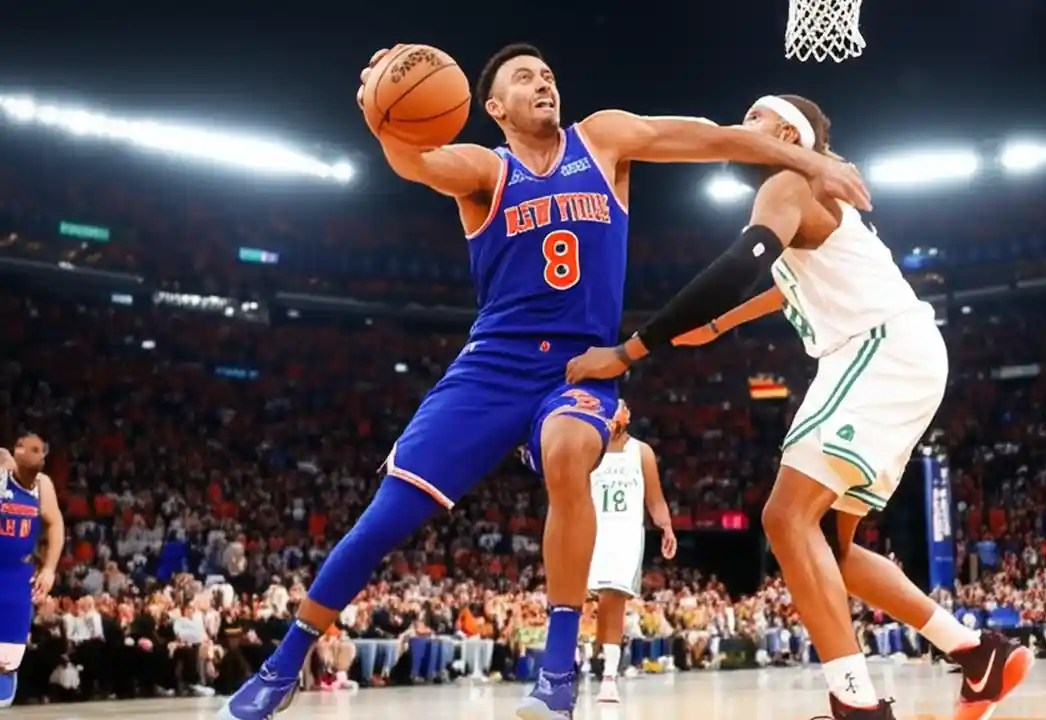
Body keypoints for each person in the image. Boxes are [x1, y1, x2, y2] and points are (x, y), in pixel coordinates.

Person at [219, 43, 868, 720]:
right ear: (492, 107)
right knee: (386, 518)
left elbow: (709, 137)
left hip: (578, 366)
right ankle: (284, 663)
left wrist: (809, 157)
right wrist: (383, 113)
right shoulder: (483, 169)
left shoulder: (604, 139)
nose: (544, 83)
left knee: (565, 452)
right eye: (524, 78)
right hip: (493, 365)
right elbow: (418, 161)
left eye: (549, 75)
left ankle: (557, 676)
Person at [565, 94, 1032, 720]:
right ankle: (978, 654)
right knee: (831, 549)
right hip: (893, 352)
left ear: (788, 132)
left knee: (784, 518)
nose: (740, 127)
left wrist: (627, 352)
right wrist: (723, 324)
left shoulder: (788, 179)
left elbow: (738, 268)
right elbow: (784, 280)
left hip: (876, 347)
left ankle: (857, 706)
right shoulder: (805, 192)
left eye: (752, 119)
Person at [585, 401, 675, 704]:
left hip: (625, 534)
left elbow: (656, 499)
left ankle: (609, 676)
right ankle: (575, 663)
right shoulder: (590, 447)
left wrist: (666, 527)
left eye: (619, 409)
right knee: (581, 602)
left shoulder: (642, 452)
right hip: (592, 530)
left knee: (614, 601)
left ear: (627, 416)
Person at [0, 433, 64, 707]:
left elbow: (56, 524)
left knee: (7, 663)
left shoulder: (42, 486)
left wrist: (49, 568)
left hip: (17, 574)